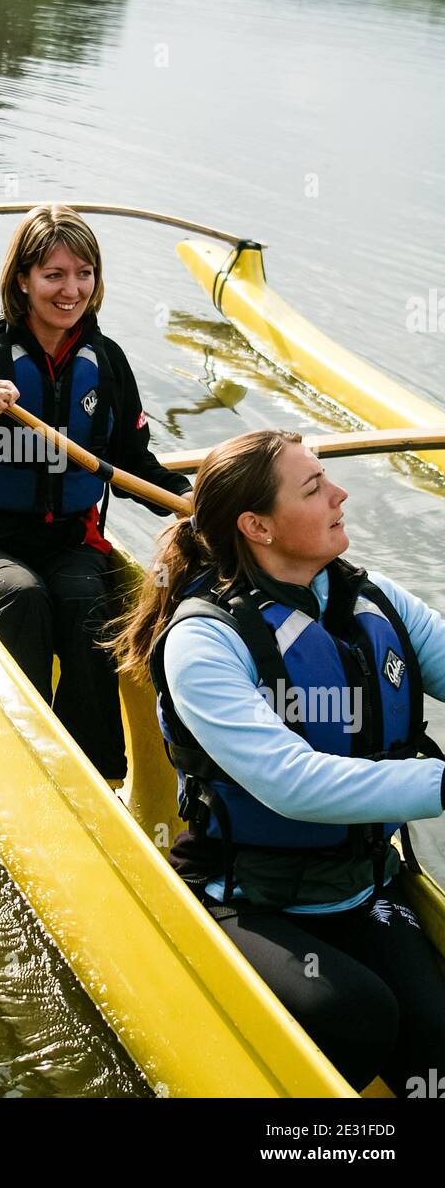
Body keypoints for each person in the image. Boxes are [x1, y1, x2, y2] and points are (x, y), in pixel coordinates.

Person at [114, 427, 445, 1094]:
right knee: (354, 1014)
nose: (341, 494)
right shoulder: (205, 641)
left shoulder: (373, 599)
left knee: (438, 1051)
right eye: (316, 487)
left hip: (364, 887)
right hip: (248, 897)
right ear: (257, 526)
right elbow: (293, 785)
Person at [0, 204, 192, 783]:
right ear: (23, 279)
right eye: (54, 275)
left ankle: (97, 774)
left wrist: (187, 499)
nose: (71, 290)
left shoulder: (108, 362)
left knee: (87, 605)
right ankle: (16, 756)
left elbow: (129, 459)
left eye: (84, 274)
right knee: (23, 599)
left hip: (68, 537)